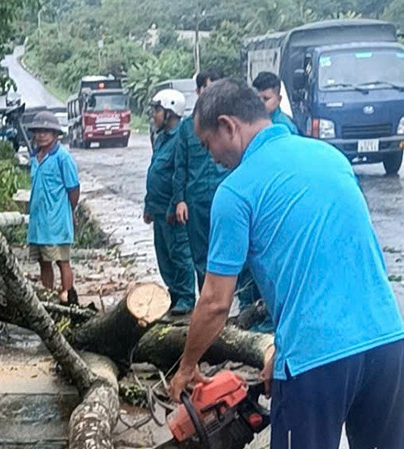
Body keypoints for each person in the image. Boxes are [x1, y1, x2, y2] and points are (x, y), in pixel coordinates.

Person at [169, 78, 404, 449]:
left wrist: (186, 367)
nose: (210, 156)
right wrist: (281, 347)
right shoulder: (330, 158)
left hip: (316, 359)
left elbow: (215, 302)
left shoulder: (235, 191)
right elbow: (326, 262)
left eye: (206, 143)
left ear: (227, 126)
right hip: (387, 342)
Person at [171, 70, 227, 296]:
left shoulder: (228, 123)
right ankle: (208, 300)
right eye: (207, 89)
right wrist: (180, 200)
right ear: (198, 91)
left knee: (230, 252)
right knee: (201, 256)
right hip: (197, 202)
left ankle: (238, 302)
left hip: (225, 198)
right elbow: (180, 166)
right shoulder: (187, 128)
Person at [144, 89, 196, 314]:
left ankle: (186, 296)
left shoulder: (180, 139)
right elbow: (155, 171)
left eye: (157, 110)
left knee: (179, 253)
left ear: (170, 112)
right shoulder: (161, 138)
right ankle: (174, 293)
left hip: (172, 210)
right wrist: (148, 205)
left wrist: (176, 203)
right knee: (163, 254)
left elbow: (179, 174)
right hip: (157, 209)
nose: (154, 115)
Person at [26, 111, 80, 305]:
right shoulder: (35, 157)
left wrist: (70, 211)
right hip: (38, 222)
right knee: (43, 261)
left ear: (56, 134)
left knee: (62, 260)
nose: (42, 135)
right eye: (38, 131)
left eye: (46, 131)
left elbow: (73, 189)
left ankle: (68, 298)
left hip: (56, 221)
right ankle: (48, 298)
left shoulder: (62, 158)